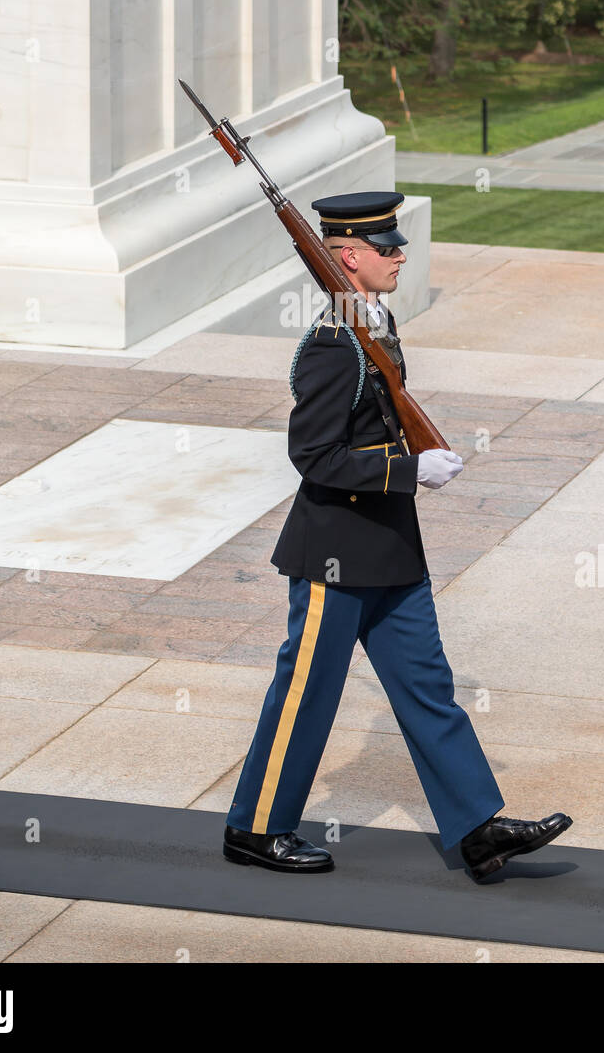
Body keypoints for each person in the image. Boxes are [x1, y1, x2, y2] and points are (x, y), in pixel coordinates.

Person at [223, 191, 572, 883]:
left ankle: (475, 827)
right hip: (335, 552)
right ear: (346, 257)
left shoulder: (372, 326)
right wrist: (407, 470)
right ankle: (256, 828)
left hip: (387, 548)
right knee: (307, 692)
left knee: (426, 688)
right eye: (386, 249)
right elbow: (314, 456)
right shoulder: (333, 345)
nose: (400, 256)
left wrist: (405, 472)